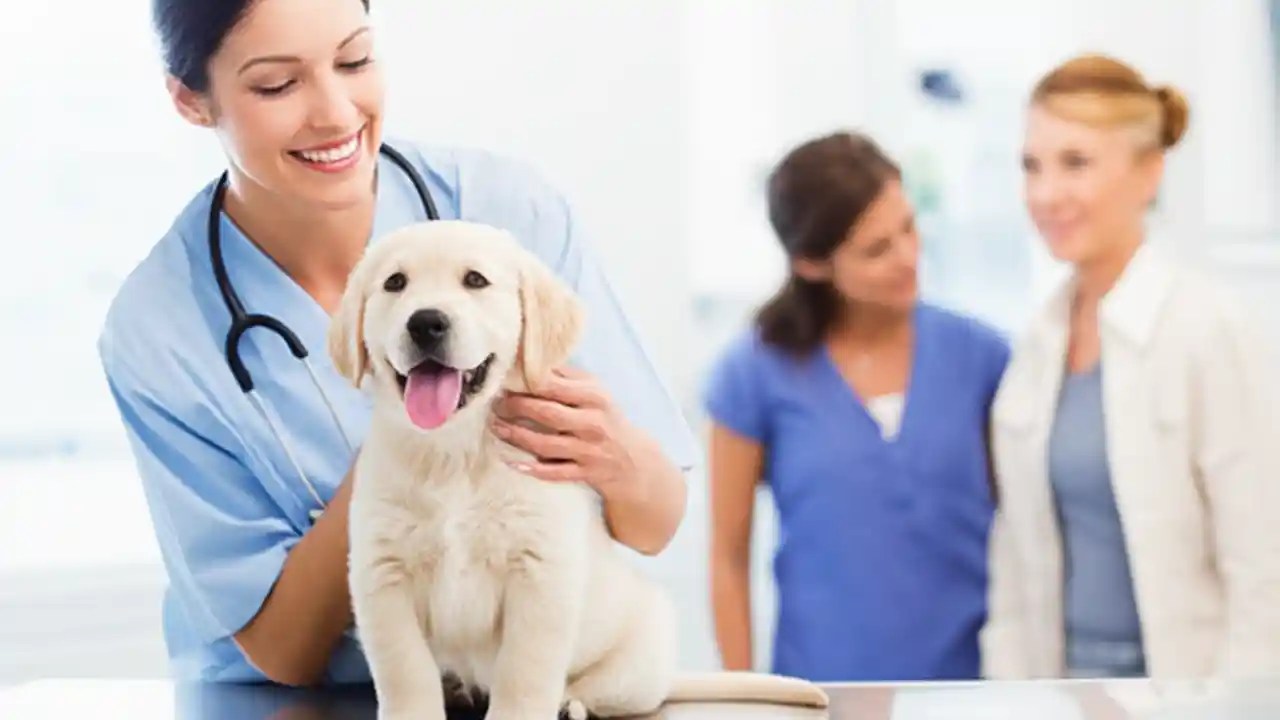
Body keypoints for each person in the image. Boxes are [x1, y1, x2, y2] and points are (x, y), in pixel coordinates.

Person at [97, 0, 698, 686]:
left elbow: (654, 524)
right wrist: (401, 452)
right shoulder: (160, 330)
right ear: (192, 100)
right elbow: (285, 651)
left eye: (355, 60)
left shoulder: (505, 211)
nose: (335, 111)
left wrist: (618, 460)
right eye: (277, 85)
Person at [982, 53, 1280, 680]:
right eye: (1031, 165)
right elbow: (1015, 563)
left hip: (1187, 695)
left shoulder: (1208, 330)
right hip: (1059, 693)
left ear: (1149, 172)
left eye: (1075, 163)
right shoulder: (1039, 343)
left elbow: (1263, 573)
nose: (1045, 193)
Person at [701, 131, 1011, 682]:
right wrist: (744, 697)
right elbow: (728, 559)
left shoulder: (982, 358)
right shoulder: (753, 374)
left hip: (973, 689)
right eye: (876, 249)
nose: (908, 257)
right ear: (813, 265)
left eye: (909, 228)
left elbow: (1028, 532)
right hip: (822, 691)